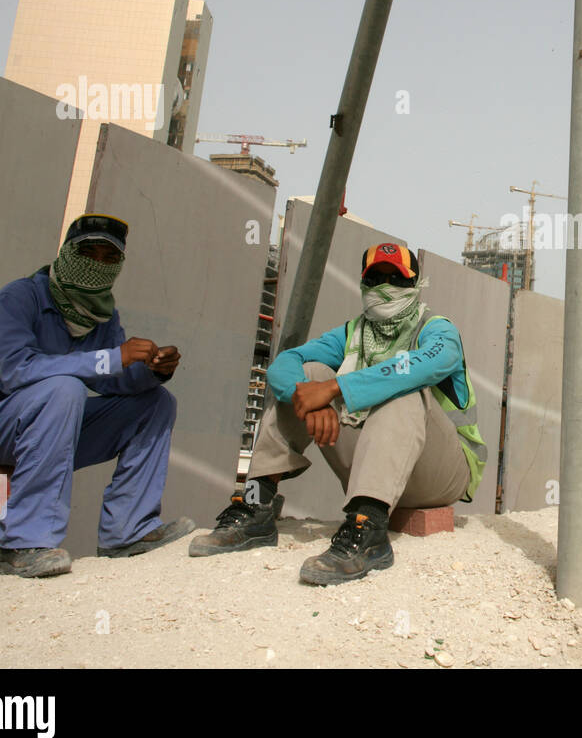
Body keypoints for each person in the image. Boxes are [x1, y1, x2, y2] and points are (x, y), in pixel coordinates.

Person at [189, 242, 487, 587]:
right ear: (363, 284)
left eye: (396, 279)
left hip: (441, 473)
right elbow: (285, 363)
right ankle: (255, 507)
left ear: (415, 286)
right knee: (310, 375)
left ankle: (368, 528)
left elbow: (428, 363)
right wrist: (314, 400)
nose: (385, 287)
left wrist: (336, 391)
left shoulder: (436, 329)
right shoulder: (351, 333)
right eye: (376, 278)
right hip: (376, 466)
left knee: (403, 384)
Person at [0, 214, 193, 578]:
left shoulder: (101, 314)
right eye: (89, 253)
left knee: (156, 403)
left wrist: (154, 370)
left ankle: (129, 531)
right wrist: (111, 357)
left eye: (109, 258)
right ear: (68, 253)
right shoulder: (19, 297)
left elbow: (110, 382)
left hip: (51, 427)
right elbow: (16, 371)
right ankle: (24, 544)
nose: (98, 265)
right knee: (64, 388)